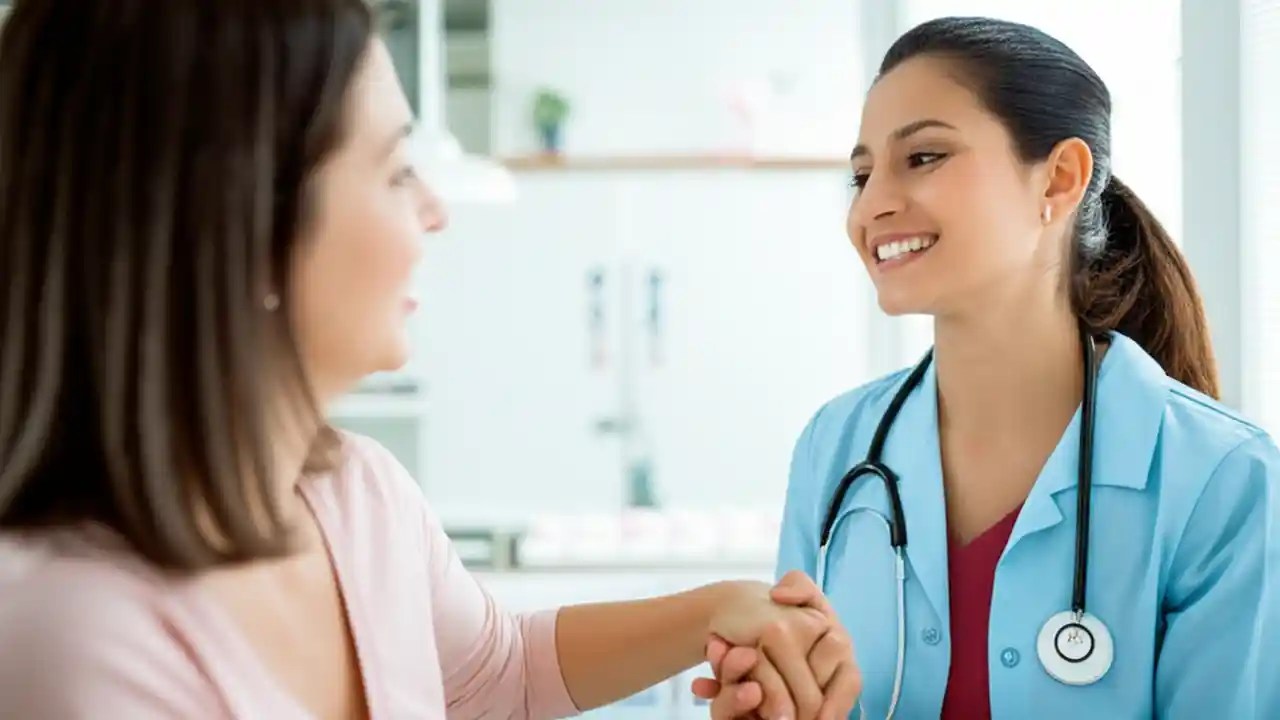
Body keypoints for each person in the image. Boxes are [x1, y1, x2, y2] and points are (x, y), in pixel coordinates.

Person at [0, 2, 859, 718]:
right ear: (240, 229)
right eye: (396, 170)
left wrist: (717, 611)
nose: (436, 211)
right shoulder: (75, 636)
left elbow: (498, 672)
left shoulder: (356, 497)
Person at [694, 15, 1279, 720]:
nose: (872, 204)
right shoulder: (836, 447)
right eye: (861, 174)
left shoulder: (1223, 477)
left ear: (1059, 180)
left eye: (924, 157)